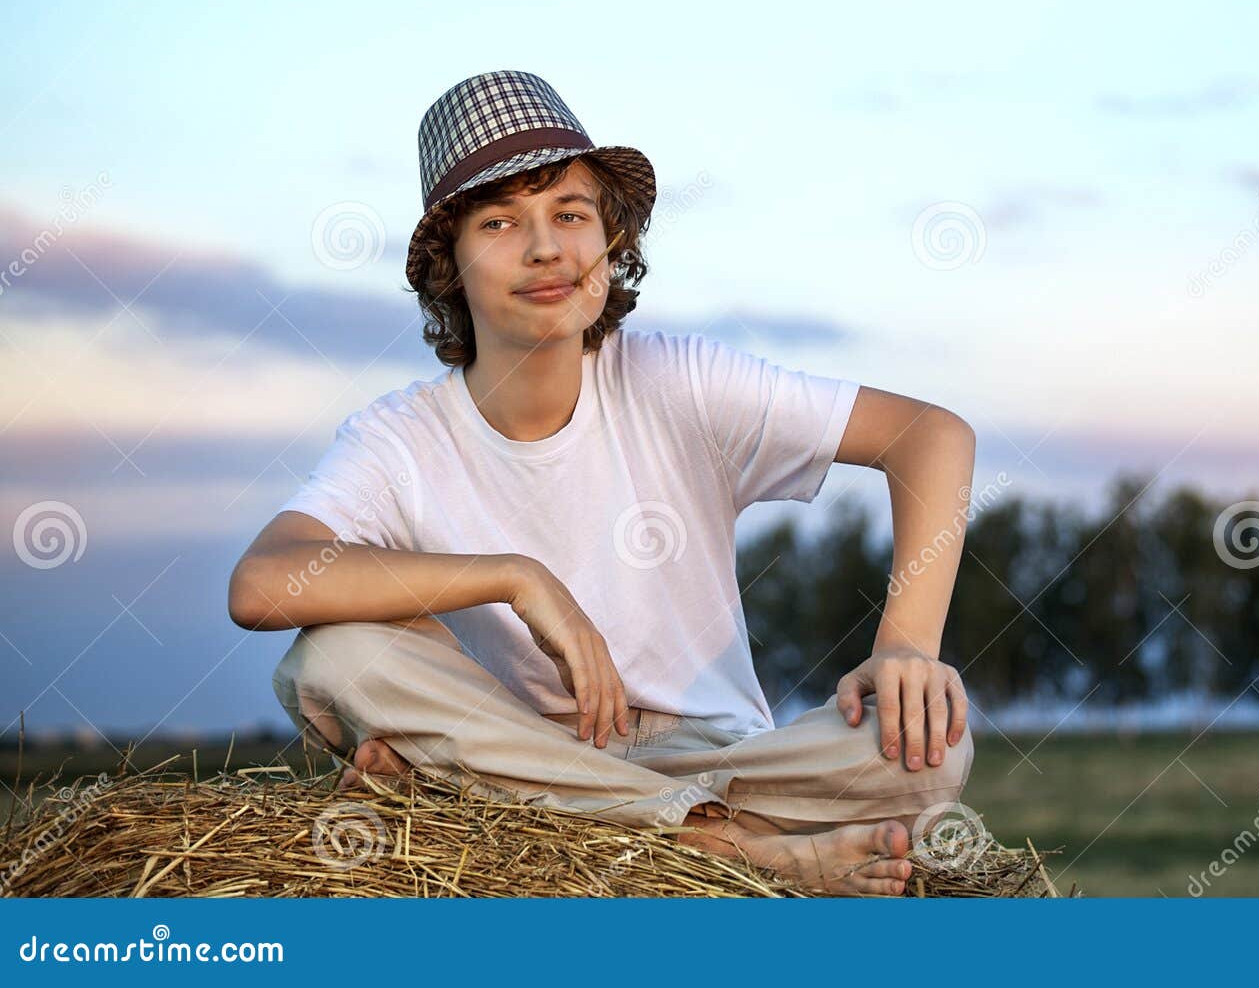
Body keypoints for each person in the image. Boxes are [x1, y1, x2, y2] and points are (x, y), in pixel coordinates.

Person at [229, 71, 979, 896]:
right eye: (501, 220)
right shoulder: (399, 437)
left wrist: (906, 644)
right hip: (513, 744)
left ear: (609, 240)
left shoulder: (678, 380)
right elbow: (263, 583)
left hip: (706, 758)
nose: (546, 247)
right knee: (336, 653)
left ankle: (629, 827)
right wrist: (515, 576)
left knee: (927, 741)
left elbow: (931, 436)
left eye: (571, 213)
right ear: (450, 263)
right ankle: (737, 855)